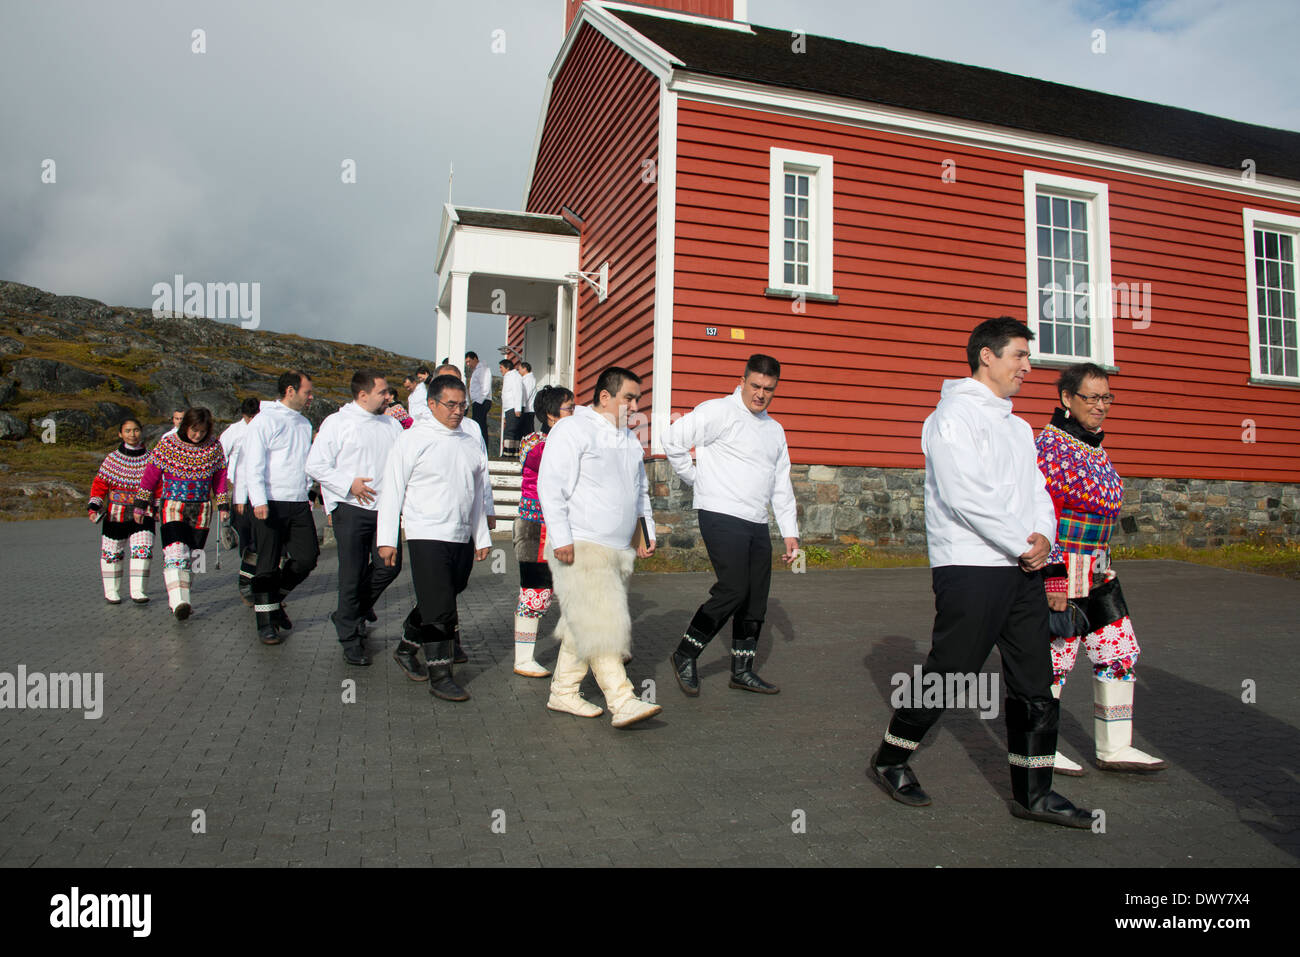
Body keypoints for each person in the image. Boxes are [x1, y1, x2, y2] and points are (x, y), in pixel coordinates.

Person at [867, 317, 1092, 828]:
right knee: (951, 674)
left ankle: (1034, 794)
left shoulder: (1015, 425)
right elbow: (964, 494)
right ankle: (891, 757)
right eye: (1019, 356)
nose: (1028, 368)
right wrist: (1020, 541)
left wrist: (1042, 538)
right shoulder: (951, 417)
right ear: (987, 356)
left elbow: (1038, 490)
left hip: (1022, 568)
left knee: (1035, 678)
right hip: (969, 565)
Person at [1037, 363, 1165, 774]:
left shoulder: (1095, 447)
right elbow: (1042, 516)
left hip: (1100, 571)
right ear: (1066, 400)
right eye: (1090, 397)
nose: (1100, 405)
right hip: (1065, 567)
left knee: (1120, 651)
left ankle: (1115, 747)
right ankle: (1040, 746)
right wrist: (1054, 577)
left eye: (1106, 397)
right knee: (1056, 660)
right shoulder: (1050, 448)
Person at [663, 354, 800, 696]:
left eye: (769, 389)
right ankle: (685, 653)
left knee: (755, 598)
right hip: (720, 514)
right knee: (733, 588)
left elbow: (780, 482)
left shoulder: (774, 430)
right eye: (755, 385)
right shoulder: (717, 411)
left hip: (756, 521)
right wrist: (695, 478)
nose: (761, 394)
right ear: (742, 382)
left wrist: (790, 533)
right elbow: (673, 440)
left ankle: (742, 670)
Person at [538, 366, 662, 729]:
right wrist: (561, 538)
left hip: (618, 550)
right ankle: (622, 701)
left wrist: (645, 532)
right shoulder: (572, 428)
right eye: (629, 397)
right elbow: (551, 485)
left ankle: (563, 692)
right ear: (605, 397)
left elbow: (639, 493)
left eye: (638, 398)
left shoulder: (629, 439)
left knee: (584, 623)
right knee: (602, 624)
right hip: (580, 545)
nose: (636, 405)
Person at [377, 375, 492, 701]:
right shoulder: (412, 440)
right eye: (451, 405)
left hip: (460, 536)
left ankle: (405, 648)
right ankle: (440, 674)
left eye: (462, 405)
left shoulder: (469, 441)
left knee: (444, 593)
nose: (458, 412)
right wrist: (388, 539)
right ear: (432, 404)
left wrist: (481, 537)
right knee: (441, 606)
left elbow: (476, 493)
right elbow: (393, 489)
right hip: (426, 533)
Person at [306, 370, 404, 666]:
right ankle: (350, 638)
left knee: (389, 567)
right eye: (383, 392)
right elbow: (315, 465)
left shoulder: (392, 424)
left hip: (385, 509)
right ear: (362, 395)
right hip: (350, 508)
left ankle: (349, 613)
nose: (389, 396)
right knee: (352, 572)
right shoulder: (338, 423)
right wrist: (350, 484)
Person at [242, 371, 318, 645]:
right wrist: (258, 500)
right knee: (267, 563)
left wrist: (309, 492)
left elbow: (305, 462)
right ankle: (266, 623)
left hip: (297, 502)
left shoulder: (304, 424)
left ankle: (272, 601)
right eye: (307, 392)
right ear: (290, 390)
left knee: (307, 558)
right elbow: (253, 463)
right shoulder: (265, 420)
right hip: (269, 502)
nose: (311, 397)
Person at [135, 408, 229, 620]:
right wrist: (141, 503)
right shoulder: (168, 444)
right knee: (175, 551)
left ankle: (183, 597)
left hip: (202, 508)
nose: (198, 435)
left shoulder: (214, 447)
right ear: (185, 425)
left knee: (196, 558)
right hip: (173, 506)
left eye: (202, 431)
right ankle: (179, 601)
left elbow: (220, 476)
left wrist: (223, 505)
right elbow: (151, 474)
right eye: (194, 430)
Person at [511, 385, 575, 678]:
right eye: (568, 409)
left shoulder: (569, 441)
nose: (574, 414)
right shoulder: (533, 443)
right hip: (535, 528)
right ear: (550, 416)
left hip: (565, 525)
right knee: (535, 593)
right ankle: (523, 658)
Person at [88, 417, 156, 604]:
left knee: (143, 550)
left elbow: (158, 485)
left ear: (141, 432)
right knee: (112, 552)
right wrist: (94, 506)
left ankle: (138, 590)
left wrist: (157, 507)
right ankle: (112, 591)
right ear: (120, 434)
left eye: (135, 430)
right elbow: (100, 484)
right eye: (127, 431)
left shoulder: (151, 458)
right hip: (116, 513)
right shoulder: (112, 459)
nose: (132, 434)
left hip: (144, 512)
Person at [221, 397, 262, 603]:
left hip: (260, 493)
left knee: (260, 537)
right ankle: (247, 573)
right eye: (249, 417)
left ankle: (259, 578)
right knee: (245, 536)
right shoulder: (234, 431)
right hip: (239, 491)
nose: (253, 420)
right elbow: (221, 455)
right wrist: (225, 480)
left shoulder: (263, 429)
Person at [466, 351, 492, 449]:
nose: (468, 364)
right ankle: (478, 446)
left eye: (469, 361)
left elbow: (485, 386)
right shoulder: (476, 370)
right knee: (478, 424)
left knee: (480, 425)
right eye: (467, 363)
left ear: (475, 359)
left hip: (482, 401)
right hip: (477, 401)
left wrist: (479, 401)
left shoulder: (483, 369)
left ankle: (482, 447)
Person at [500, 358, 524, 457]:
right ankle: (512, 452)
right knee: (510, 430)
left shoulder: (514, 376)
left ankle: (509, 453)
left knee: (511, 431)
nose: (500, 370)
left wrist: (518, 408)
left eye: (501, 367)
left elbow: (517, 391)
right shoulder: (508, 376)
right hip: (508, 408)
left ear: (507, 367)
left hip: (513, 407)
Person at [519, 361, 537, 436]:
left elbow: (526, 394)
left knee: (528, 431)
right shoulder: (526, 379)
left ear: (525, 369)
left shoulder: (529, 379)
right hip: (527, 409)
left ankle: (530, 446)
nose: (518, 371)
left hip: (528, 410)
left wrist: (521, 406)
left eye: (519, 369)